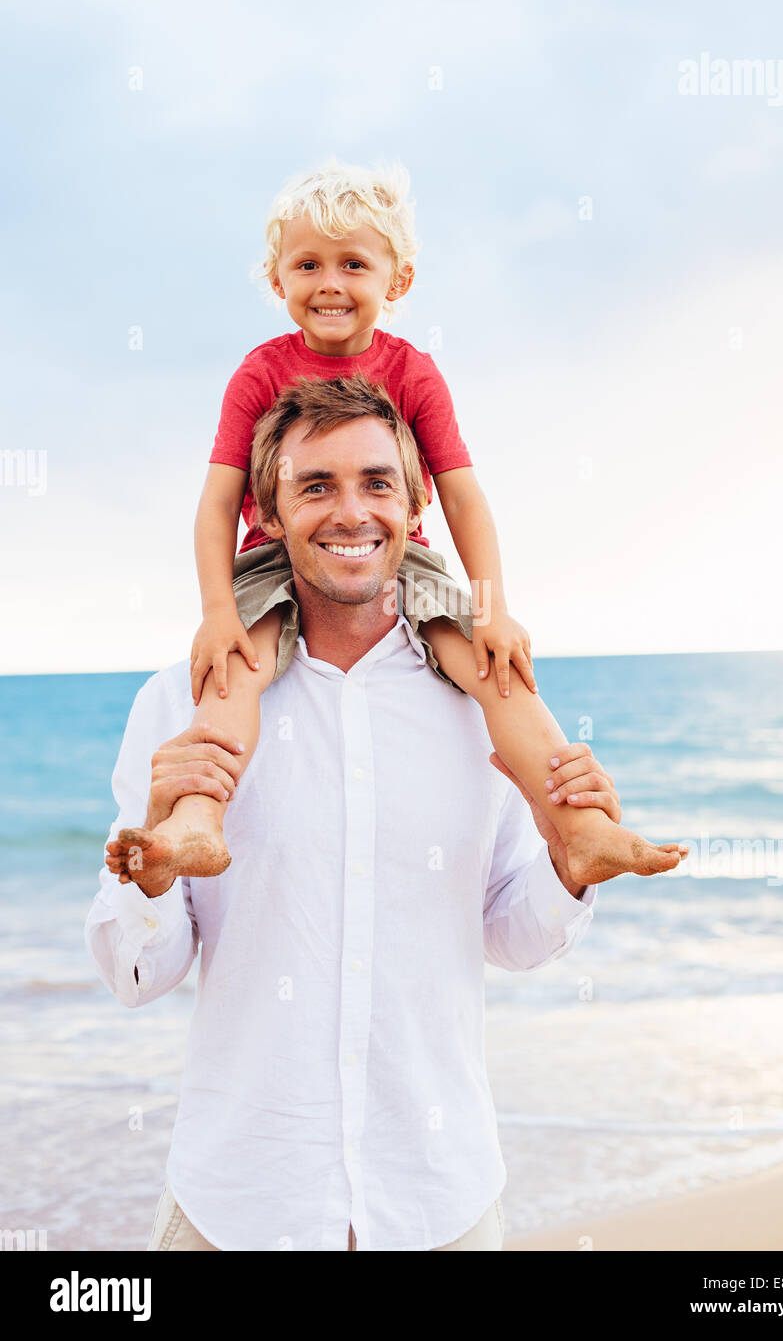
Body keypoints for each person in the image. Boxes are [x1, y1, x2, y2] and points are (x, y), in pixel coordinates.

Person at [86, 378, 686, 1251]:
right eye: (315, 486)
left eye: (375, 483)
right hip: (240, 1204)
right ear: (270, 510)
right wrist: (150, 876)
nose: (349, 512)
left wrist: (564, 869)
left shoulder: (481, 694)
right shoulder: (189, 700)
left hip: (439, 1201)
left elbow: (510, 937)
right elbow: (137, 977)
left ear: (414, 509)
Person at [108, 158, 685, 894]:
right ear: (276, 278)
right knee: (234, 675)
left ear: (397, 281)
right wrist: (218, 611)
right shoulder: (258, 374)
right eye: (307, 264)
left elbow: (462, 497)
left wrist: (490, 608)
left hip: (399, 558)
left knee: (494, 672)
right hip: (270, 554)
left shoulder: (412, 372)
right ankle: (194, 822)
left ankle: (580, 831)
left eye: (353, 264)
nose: (329, 283)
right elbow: (219, 501)